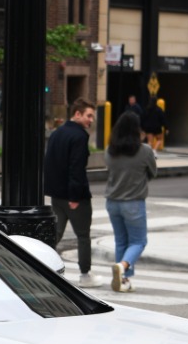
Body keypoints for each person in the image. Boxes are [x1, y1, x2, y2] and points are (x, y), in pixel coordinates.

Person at [42, 98, 98, 285]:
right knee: (83, 236)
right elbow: (77, 169)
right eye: (89, 115)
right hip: (75, 198)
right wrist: (75, 197)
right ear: (77, 114)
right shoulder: (79, 137)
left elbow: (49, 162)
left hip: (57, 196)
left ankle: (41, 267)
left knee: (55, 235)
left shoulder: (57, 133)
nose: (91, 120)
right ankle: (85, 275)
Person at [104, 113, 158, 293]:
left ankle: (124, 279)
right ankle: (124, 266)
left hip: (112, 202)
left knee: (121, 241)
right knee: (138, 241)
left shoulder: (109, 151)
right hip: (133, 202)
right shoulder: (145, 151)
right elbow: (153, 172)